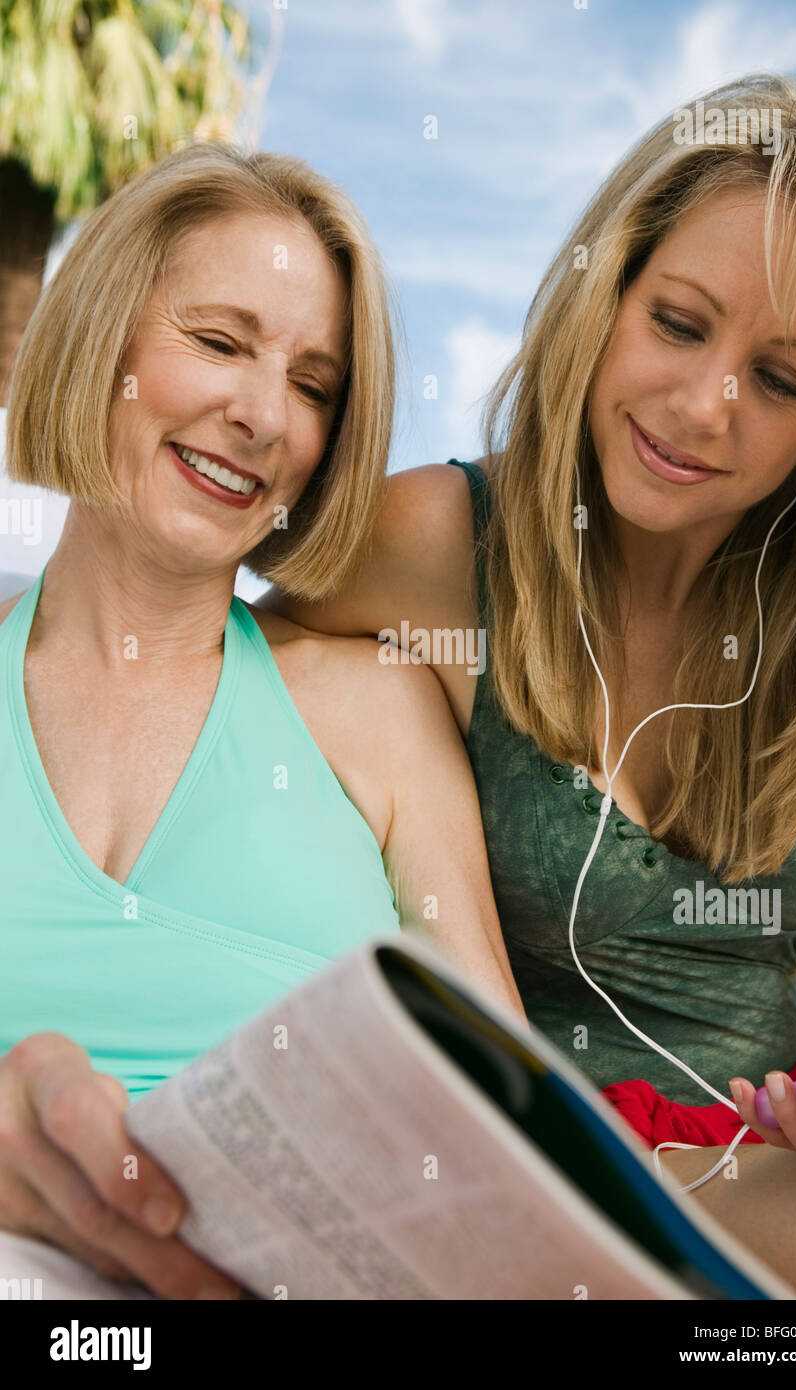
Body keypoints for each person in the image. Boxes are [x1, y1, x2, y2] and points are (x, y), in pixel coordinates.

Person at [257, 73, 796, 1299]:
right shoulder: (434, 542)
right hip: (545, 1168)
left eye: (782, 381)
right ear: (606, 293)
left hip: (770, 1178)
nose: (702, 407)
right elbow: (174, 647)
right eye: (678, 324)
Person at [0, 142, 524, 1299]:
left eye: (314, 385)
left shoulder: (374, 711)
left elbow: (512, 1104)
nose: (263, 414)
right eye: (220, 342)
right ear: (102, 338)